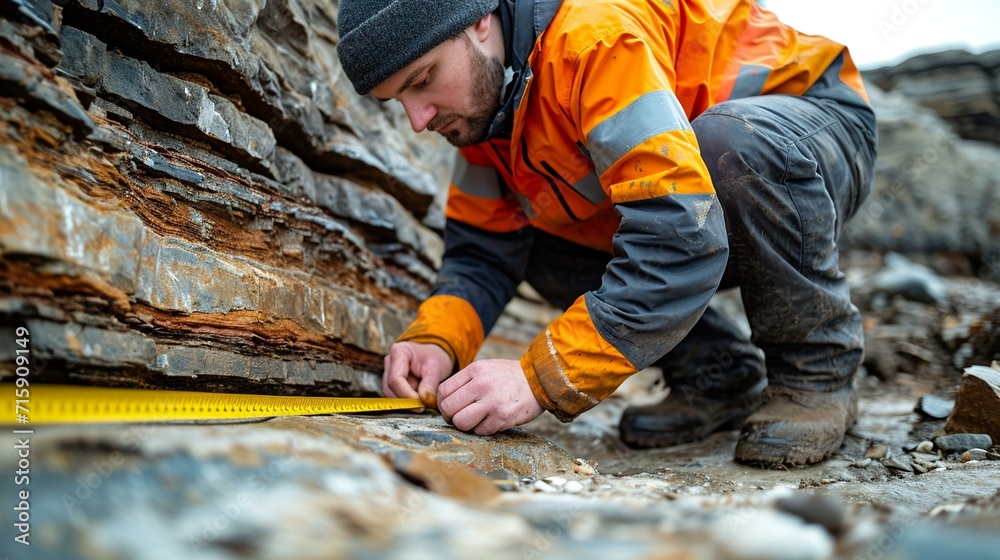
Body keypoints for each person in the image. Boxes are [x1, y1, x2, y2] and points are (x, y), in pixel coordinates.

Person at [335, 0, 877, 467]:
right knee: (546, 246)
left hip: (809, 133)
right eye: (396, 101)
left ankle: (816, 376)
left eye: (423, 80)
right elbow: (484, 252)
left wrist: (541, 376)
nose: (418, 119)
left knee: (729, 145)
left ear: (478, 22)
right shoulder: (483, 108)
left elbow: (679, 229)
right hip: (702, 195)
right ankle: (718, 374)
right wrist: (436, 339)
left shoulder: (590, 39)